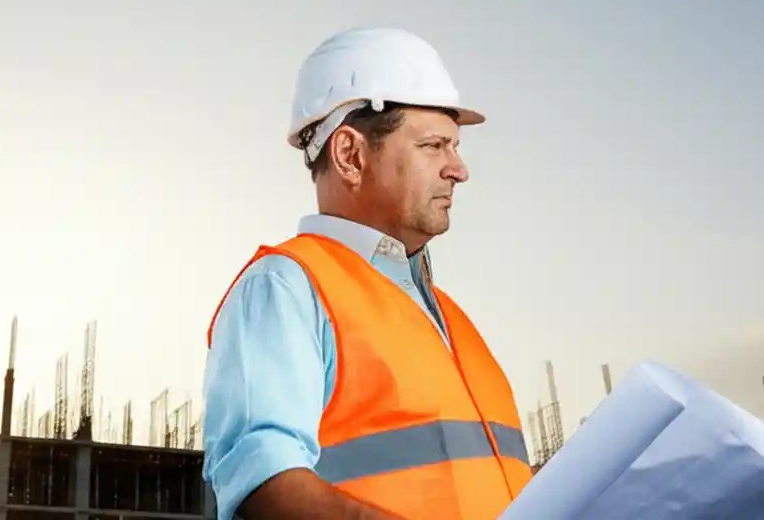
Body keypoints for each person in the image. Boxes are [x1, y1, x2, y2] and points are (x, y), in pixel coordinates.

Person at [201, 27, 532, 520]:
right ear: (351, 156)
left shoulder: (451, 319)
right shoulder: (287, 288)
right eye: (434, 146)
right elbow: (263, 487)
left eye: (455, 147)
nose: (459, 169)